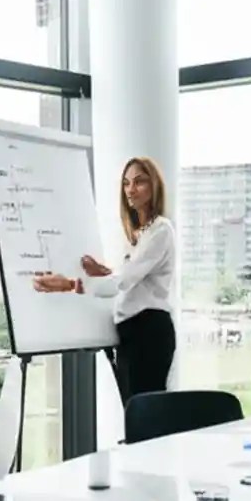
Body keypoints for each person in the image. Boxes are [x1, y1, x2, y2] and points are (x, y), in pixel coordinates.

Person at [32, 157, 176, 402]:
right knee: (134, 416)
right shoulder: (139, 235)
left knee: (144, 417)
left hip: (148, 330)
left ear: (154, 186)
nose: (131, 189)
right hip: (132, 332)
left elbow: (124, 281)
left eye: (140, 182)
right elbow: (132, 278)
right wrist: (104, 271)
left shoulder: (160, 230)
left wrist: (68, 284)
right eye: (126, 183)